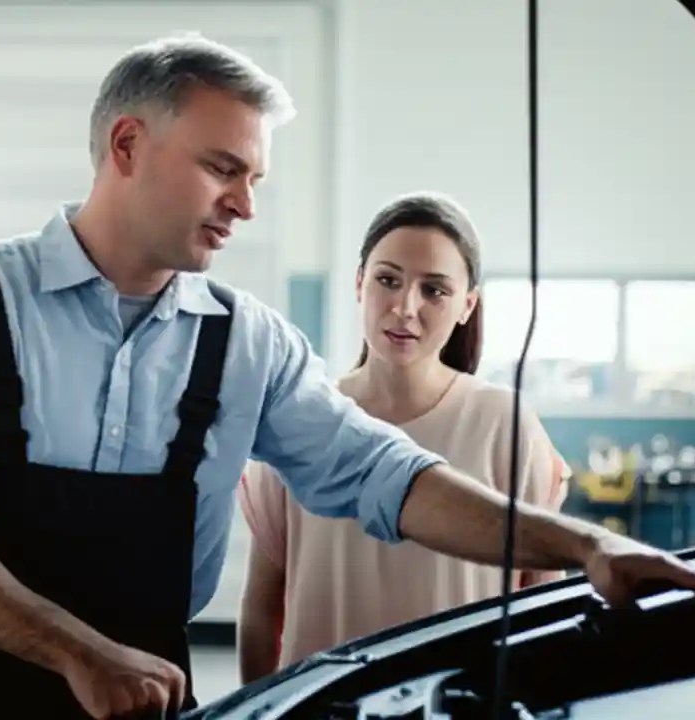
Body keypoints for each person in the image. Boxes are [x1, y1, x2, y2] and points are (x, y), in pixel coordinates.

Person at [0, 33, 695, 720]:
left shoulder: (248, 343)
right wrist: (77, 652)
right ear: (126, 145)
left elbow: (384, 473)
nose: (245, 205)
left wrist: (586, 546)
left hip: (146, 700)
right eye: (223, 169)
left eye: (256, 178)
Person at [237, 192, 572, 683]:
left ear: (467, 305)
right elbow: (261, 612)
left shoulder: (505, 422)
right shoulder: (300, 417)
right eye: (388, 280)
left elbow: (545, 609)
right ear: (359, 283)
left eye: (434, 290)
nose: (404, 307)